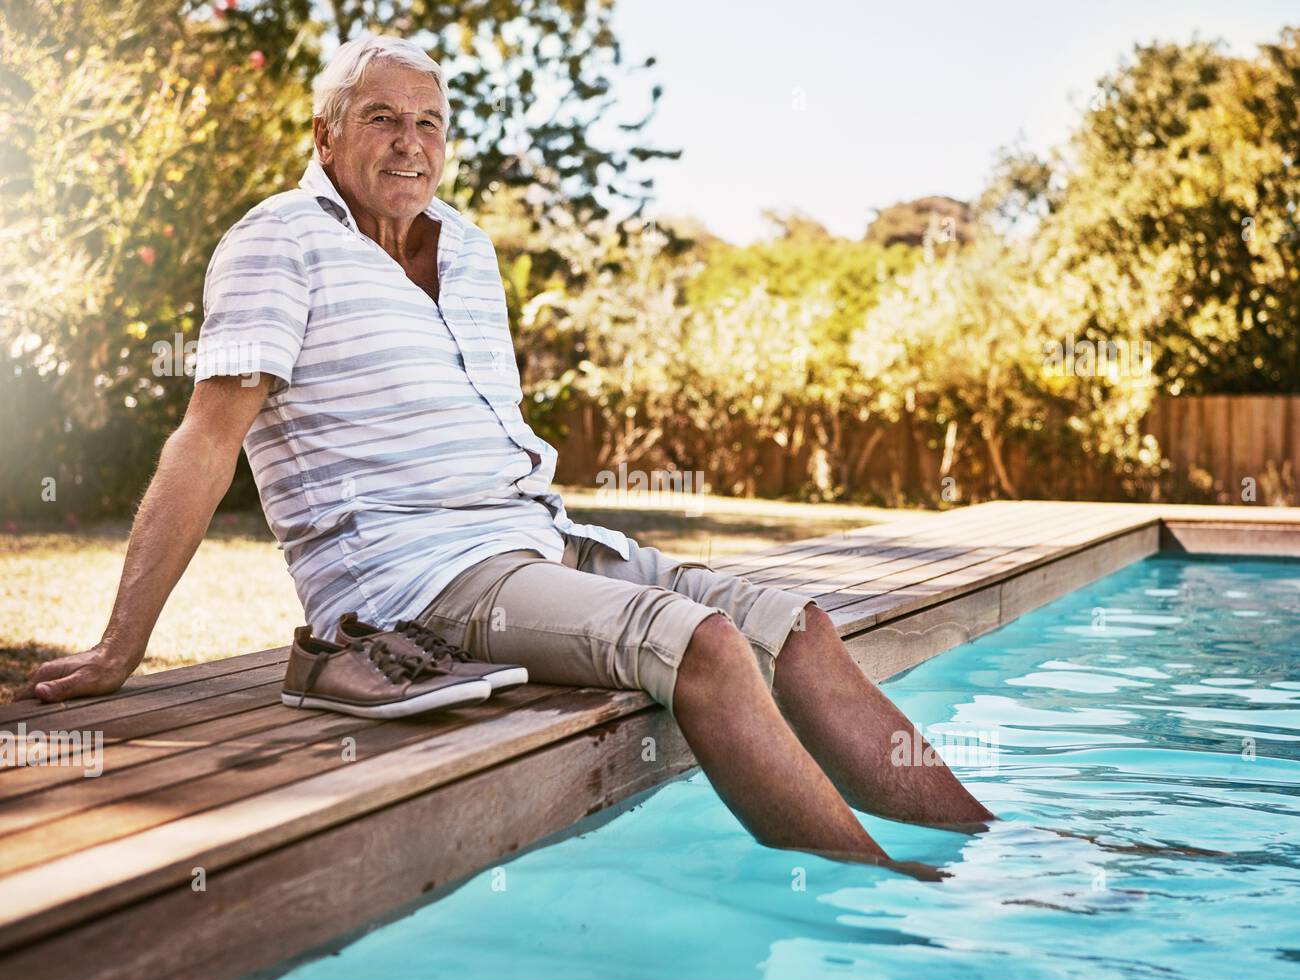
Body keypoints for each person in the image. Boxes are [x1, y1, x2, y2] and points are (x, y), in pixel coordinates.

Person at [15, 34, 995, 879]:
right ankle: (891, 892)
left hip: (537, 541)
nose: (410, 143)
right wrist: (122, 645)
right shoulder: (279, 243)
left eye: (429, 123)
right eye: (381, 118)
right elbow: (206, 438)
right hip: (411, 579)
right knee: (704, 647)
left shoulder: (469, 250)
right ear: (325, 135)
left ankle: (985, 849)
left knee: (804, 628)